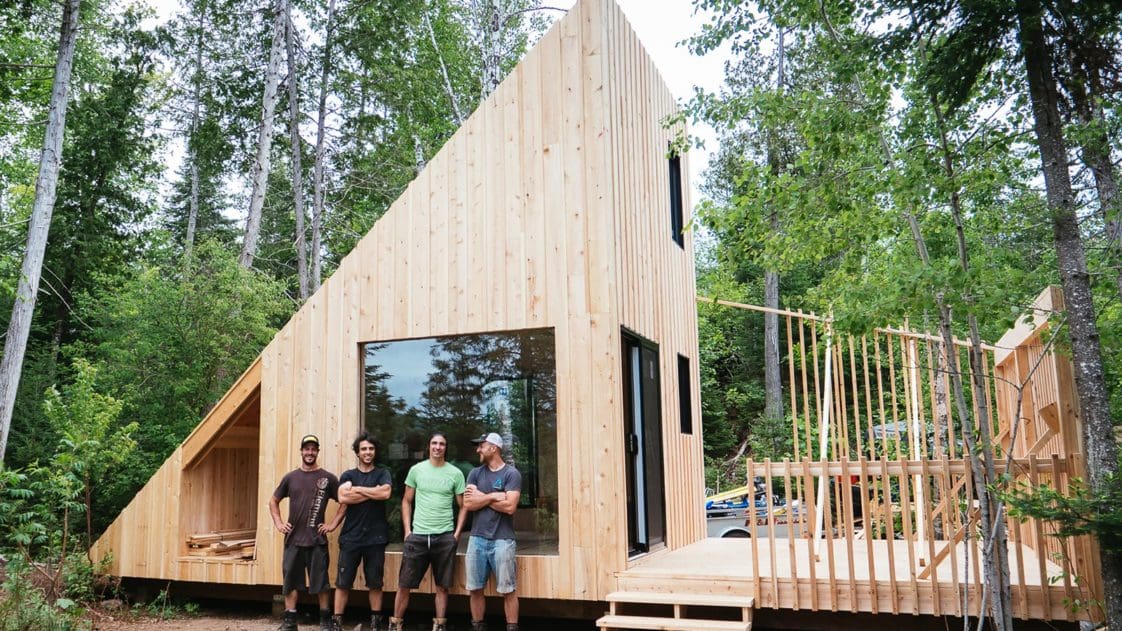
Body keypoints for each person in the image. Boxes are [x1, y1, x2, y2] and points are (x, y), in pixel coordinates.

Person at [388, 432, 467, 631]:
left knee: (442, 587)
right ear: (429, 446)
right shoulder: (416, 470)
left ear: (446, 448)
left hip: (444, 537)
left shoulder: (455, 473)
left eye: (442, 444)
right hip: (418, 537)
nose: (437, 447)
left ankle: (439, 625)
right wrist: (408, 531)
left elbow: (464, 506)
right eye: (434, 443)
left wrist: (456, 534)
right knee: (404, 584)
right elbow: (406, 501)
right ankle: (395, 624)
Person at [270, 434, 345, 631]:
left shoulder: (328, 478)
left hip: (317, 541)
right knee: (290, 582)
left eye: (313, 449)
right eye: (307, 449)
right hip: (293, 540)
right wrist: (279, 523)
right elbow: (273, 501)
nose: (310, 452)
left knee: (321, 583)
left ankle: (325, 621)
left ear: (317, 451)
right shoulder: (290, 477)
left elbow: (344, 502)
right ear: (301, 451)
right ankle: (290, 621)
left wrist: (333, 524)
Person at [333, 432, 392, 631]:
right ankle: (336, 623)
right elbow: (343, 498)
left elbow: (385, 493)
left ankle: (376, 624)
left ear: (375, 451)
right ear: (357, 452)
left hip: (376, 538)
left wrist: (357, 490)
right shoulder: (348, 475)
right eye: (364, 449)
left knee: (375, 583)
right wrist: (372, 492)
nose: (368, 452)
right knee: (343, 583)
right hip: (351, 537)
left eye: (371, 449)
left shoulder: (383, 473)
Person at [463, 432, 522, 631]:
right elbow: (468, 503)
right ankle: (478, 626)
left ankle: (512, 627)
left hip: (503, 540)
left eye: (481, 446)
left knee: (508, 590)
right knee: (475, 589)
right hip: (477, 539)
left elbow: (510, 507)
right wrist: (494, 496)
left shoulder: (511, 474)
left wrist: (482, 497)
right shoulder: (475, 473)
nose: (478, 450)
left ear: (493, 448)